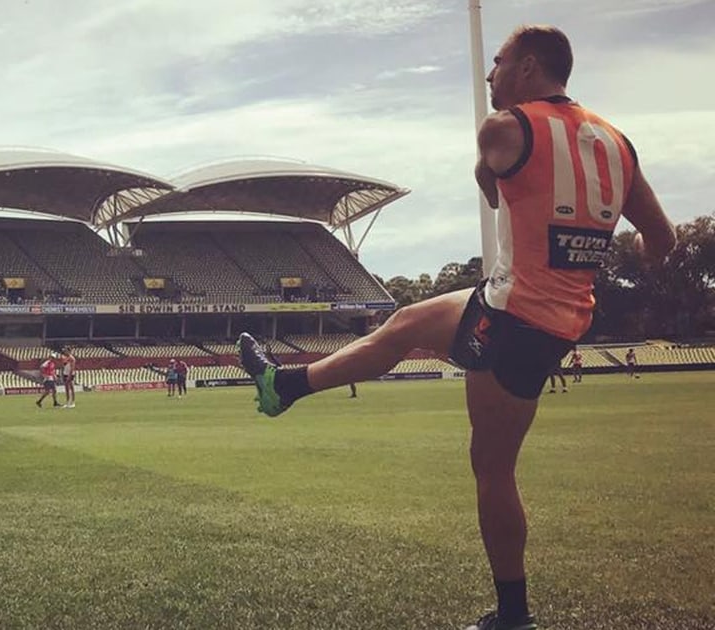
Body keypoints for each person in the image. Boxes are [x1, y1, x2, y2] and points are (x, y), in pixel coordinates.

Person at [236, 25, 675, 630]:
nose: (490, 75)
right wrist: (589, 259)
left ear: (526, 66)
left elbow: (489, 181)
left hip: (514, 314)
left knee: (492, 469)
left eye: (497, 63)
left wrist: (493, 180)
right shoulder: (616, 143)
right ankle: (284, 386)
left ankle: (515, 616)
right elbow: (663, 239)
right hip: (553, 315)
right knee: (406, 324)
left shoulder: (505, 127)